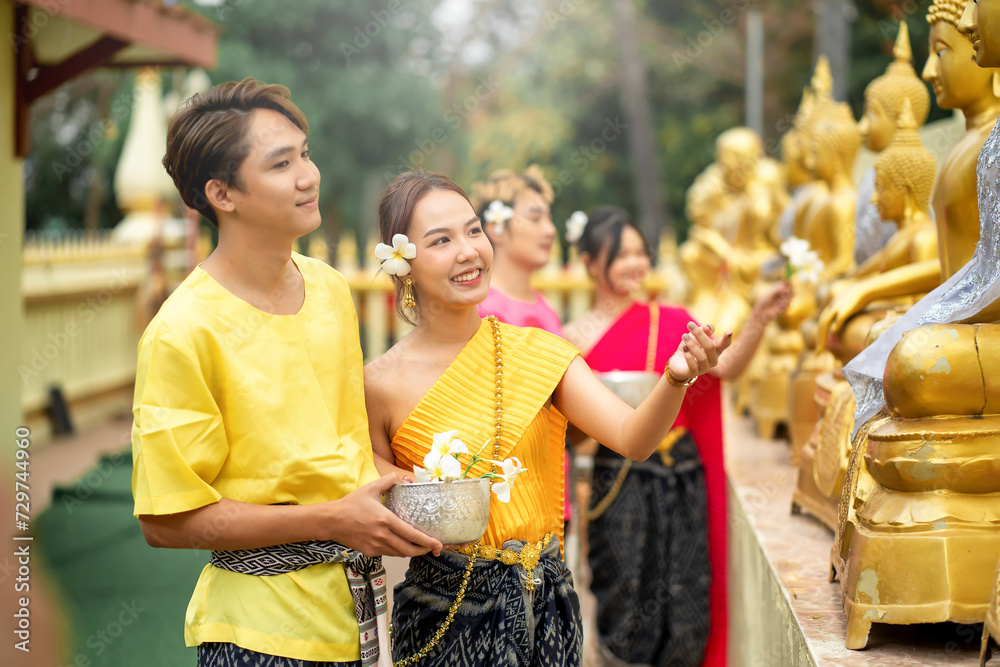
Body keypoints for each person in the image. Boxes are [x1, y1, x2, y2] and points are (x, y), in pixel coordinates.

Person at [363, 171, 733, 667]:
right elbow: (373, 494)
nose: (469, 250)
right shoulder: (379, 383)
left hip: (548, 604)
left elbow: (632, 438)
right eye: (441, 240)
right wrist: (411, 489)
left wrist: (675, 377)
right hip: (443, 610)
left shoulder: (540, 354)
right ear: (404, 262)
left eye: (474, 231)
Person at [131, 78, 439, 667]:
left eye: (305, 153)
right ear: (223, 193)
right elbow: (165, 521)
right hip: (258, 636)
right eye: (281, 164)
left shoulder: (326, 288)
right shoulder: (182, 331)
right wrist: (331, 520)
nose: (308, 175)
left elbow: (346, 448)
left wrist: (434, 489)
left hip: (357, 617)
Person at [563, 207, 790, 667]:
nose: (635, 264)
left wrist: (760, 319)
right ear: (588, 262)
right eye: (620, 254)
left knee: (686, 594)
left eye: (640, 253)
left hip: (681, 474)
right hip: (620, 480)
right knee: (623, 594)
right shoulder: (572, 339)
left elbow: (725, 368)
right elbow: (567, 431)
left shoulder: (670, 320)